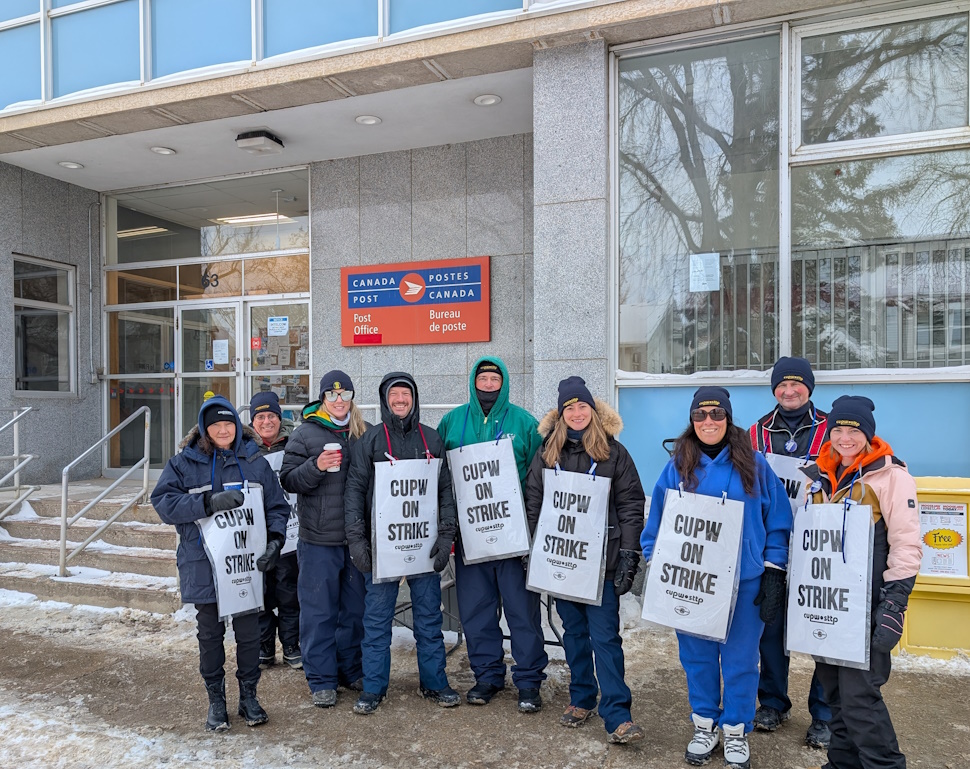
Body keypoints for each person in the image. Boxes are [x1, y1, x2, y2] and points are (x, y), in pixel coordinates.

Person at [643, 386, 791, 769]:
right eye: (700, 415)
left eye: (716, 414)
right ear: (692, 421)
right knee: (698, 657)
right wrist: (655, 565)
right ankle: (705, 723)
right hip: (693, 582)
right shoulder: (677, 466)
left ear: (728, 418)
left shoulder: (754, 464)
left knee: (741, 659)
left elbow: (777, 522)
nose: (709, 421)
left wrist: (774, 571)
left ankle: (737, 728)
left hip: (744, 583)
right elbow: (657, 524)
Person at [151, 395, 289, 732]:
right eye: (216, 425)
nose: (223, 429)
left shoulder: (254, 461)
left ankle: (249, 697)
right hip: (204, 564)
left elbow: (277, 506)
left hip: (246, 565)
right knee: (210, 636)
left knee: (249, 635)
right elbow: (164, 503)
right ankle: (216, 701)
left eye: (228, 423)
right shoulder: (184, 463)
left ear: (237, 427)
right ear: (205, 429)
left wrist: (275, 540)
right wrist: (207, 502)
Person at [524, 376, 646, 745]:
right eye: (569, 408)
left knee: (605, 638)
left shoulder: (613, 452)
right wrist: (533, 550)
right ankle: (582, 697)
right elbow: (534, 502)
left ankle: (617, 714)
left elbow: (631, 506)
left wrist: (628, 554)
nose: (577, 413)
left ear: (593, 411)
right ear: (561, 414)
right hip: (562, 561)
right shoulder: (548, 452)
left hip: (601, 565)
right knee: (574, 634)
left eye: (583, 407)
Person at [801, 396, 920, 769]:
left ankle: (884, 766)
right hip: (827, 603)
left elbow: (907, 542)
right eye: (837, 429)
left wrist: (895, 600)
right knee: (833, 693)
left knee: (860, 699)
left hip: (867, 606)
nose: (844, 437)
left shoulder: (891, 476)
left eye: (853, 430)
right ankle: (843, 763)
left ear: (867, 434)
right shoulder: (817, 477)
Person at [343, 372, 460, 715]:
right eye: (393, 395)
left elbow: (445, 491)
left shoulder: (432, 438)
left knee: (428, 617)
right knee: (377, 621)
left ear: (414, 399)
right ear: (384, 400)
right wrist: (357, 540)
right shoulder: (370, 440)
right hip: (384, 549)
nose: (399, 400)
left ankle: (435, 683)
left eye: (405, 394)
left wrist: (446, 535)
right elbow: (354, 490)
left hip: (424, 547)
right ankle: (374, 686)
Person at [438, 357, 548, 712]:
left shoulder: (524, 422)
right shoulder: (452, 421)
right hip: (470, 537)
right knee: (477, 610)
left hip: (512, 536)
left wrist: (533, 529)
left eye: (494, 378)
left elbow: (537, 478)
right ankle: (487, 676)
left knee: (521, 612)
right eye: (482, 377)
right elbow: (440, 477)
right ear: (473, 381)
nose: (488, 383)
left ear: (503, 382)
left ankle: (529, 680)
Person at [749, 356, 832, 748]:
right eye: (782, 385)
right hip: (774, 543)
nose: (789, 391)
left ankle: (825, 714)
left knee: (821, 630)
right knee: (771, 627)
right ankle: (773, 702)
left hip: (820, 546)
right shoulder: (756, 432)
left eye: (797, 384)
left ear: (809, 388)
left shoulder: (834, 429)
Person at [279, 371, 369, 708]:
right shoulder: (305, 433)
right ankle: (321, 679)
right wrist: (316, 466)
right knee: (318, 612)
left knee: (354, 610)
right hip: (318, 539)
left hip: (355, 538)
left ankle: (350, 669)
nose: (339, 400)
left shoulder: (364, 432)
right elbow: (288, 479)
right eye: (332, 395)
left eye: (345, 394)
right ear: (322, 399)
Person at [249, 390, 302, 671]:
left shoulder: (294, 443)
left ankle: (292, 644)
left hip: (291, 532)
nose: (267, 421)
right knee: (261, 591)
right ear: (253, 421)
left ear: (280, 419)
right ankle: (264, 644)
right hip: (256, 534)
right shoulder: (244, 448)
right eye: (261, 416)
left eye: (272, 416)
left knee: (289, 591)